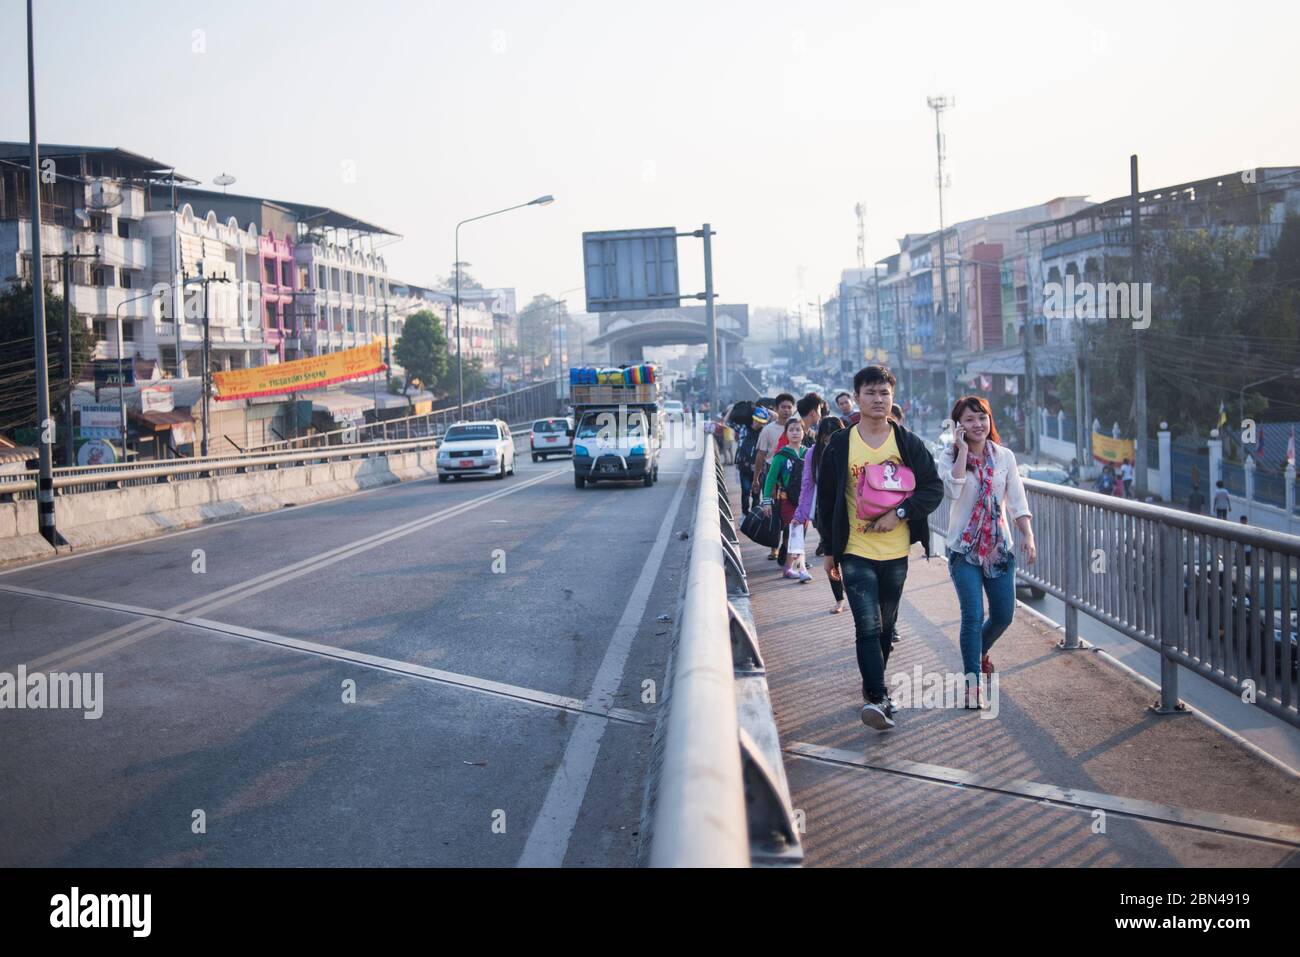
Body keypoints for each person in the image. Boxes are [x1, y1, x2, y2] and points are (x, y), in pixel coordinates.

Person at [816, 365, 943, 731]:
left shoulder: (907, 442)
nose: (877, 399)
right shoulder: (841, 444)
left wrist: (900, 512)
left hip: (896, 551)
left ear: (893, 397)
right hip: (855, 549)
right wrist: (829, 549)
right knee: (867, 626)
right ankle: (877, 697)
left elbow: (932, 488)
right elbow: (826, 500)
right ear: (856, 398)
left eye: (884, 393)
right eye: (870, 393)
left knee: (886, 627)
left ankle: (874, 686)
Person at [942, 396, 1037, 710]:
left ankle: (978, 653)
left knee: (1003, 615)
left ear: (989, 420)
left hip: (998, 548)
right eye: (968, 420)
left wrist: (1027, 535)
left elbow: (1018, 500)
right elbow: (953, 490)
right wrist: (962, 451)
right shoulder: (949, 456)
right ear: (959, 426)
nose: (977, 425)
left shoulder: (1005, 456)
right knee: (972, 616)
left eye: (981, 418)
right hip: (963, 549)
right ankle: (973, 686)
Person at [794, 416, 848, 611]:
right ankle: (839, 598)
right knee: (830, 561)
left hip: (848, 513)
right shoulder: (812, 454)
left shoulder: (849, 451)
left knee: (848, 559)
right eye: (826, 436)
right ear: (820, 437)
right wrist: (800, 513)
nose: (829, 440)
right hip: (823, 515)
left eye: (834, 435)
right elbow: (807, 484)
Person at [760, 417, 810, 582]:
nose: (795, 433)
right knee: (797, 532)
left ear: (804, 432)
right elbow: (770, 479)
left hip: (805, 501)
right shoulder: (781, 455)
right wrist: (766, 501)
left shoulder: (808, 453)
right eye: (791, 430)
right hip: (787, 501)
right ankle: (800, 569)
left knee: (798, 534)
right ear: (786, 433)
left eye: (798, 429)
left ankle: (789, 568)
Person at [752, 393, 796, 561]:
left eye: (789, 407)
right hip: (772, 475)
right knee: (773, 512)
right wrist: (756, 479)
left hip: (792, 477)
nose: (786, 410)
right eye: (783, 407)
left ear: (793, 409)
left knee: (790, 513)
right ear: (777, 409)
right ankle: (774, 548)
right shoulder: (768, 430)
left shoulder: (796, 428)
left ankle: (786, 548)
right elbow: (761, 455)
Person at [734, 404, 766, 515]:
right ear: (753, 418)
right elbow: (727, 422)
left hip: (759, 468)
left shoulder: (765, 432)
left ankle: (754, 515)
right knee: (746, 491)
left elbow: (778, 420)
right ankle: (745, 513)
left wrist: (766, 411)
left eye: (761, 422)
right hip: (744, 466)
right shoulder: (743, 429)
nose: (759, 423)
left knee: (757, 494)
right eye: (757, 420)